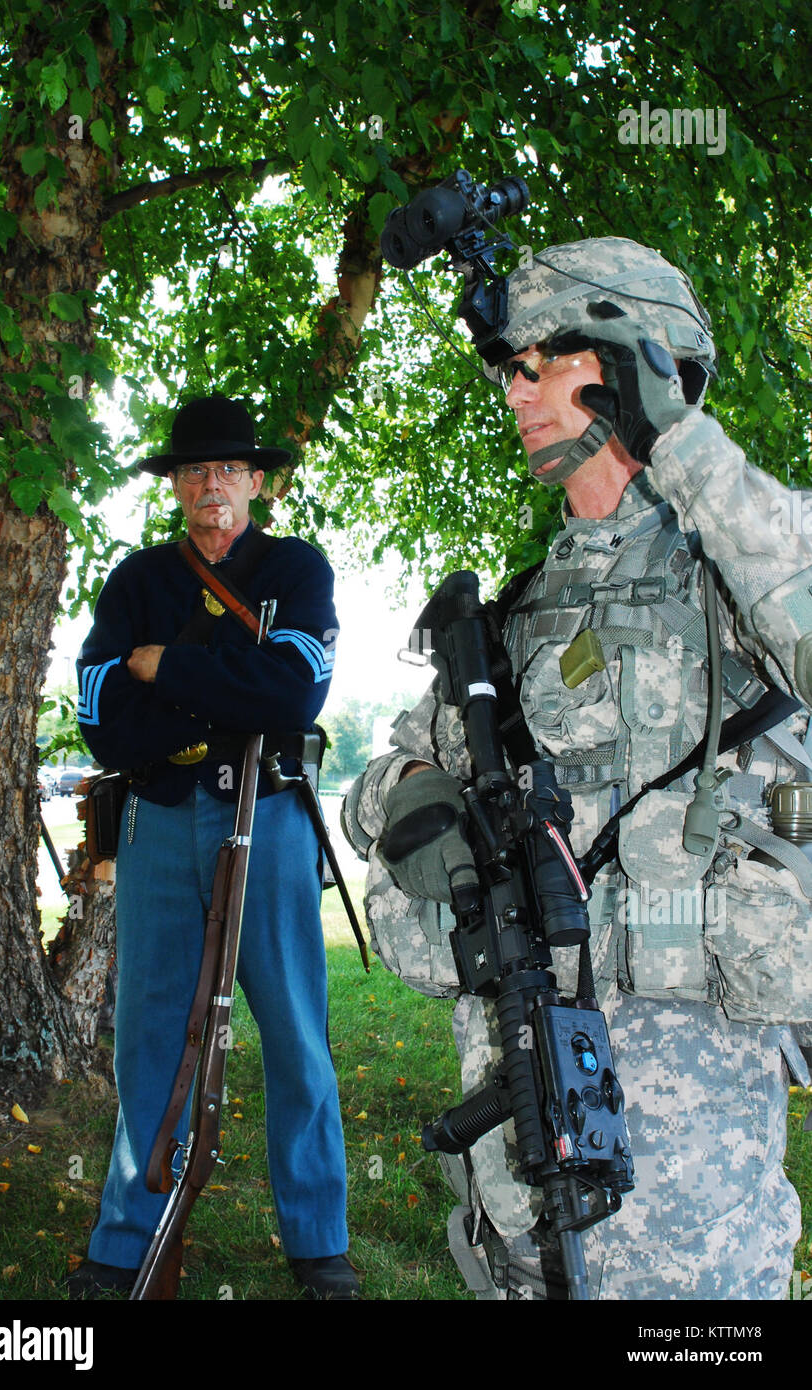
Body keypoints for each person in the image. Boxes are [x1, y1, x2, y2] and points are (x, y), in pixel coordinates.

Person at [344, 238, 812, 1300]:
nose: (516, 389)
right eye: (512, 366)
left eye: (543, 360)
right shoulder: (514, 617)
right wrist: (410, 797)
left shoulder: (738, 577)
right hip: (523, 1168)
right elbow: (391, 777)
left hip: (688, 1192)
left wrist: (684, 444)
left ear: (632, 362)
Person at [70, 394, 359, 1300]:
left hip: (266, 818)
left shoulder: (296, 570)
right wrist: (220, 699)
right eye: (194, 471)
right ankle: (124, 1244)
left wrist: (166, 667)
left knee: (295, 1034)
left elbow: (296, 693)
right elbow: (97, 710)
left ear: (257, 482)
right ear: (178, 487)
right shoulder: (136, 580)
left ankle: (319, 1244)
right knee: (147, 1035)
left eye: (227, 470)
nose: (210, 486)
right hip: (157, 820)